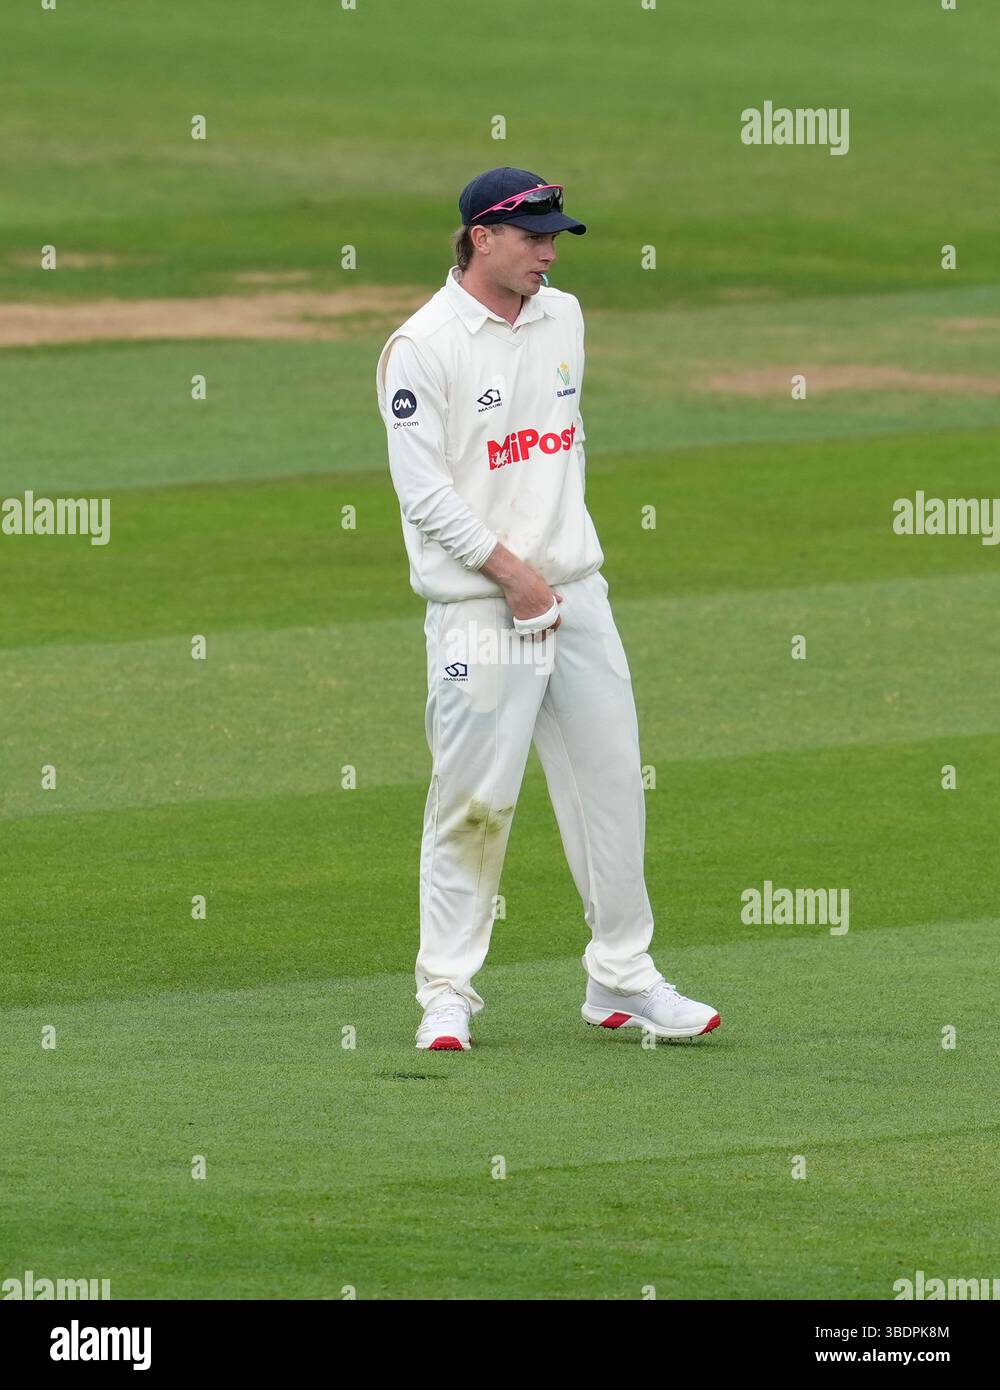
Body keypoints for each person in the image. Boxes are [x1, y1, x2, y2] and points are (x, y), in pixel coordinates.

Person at [375, 166, 720, 1051]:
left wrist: (558, 567)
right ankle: (446, 991)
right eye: (532, 237)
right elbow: (424, 494)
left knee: (612, 788)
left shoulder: (564, 316)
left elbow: (560, 451)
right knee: (475, 802)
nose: (548, 252)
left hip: (577, 593)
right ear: (480, 238)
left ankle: (623, 978)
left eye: (556, 237)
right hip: (478, 608)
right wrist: (511, 573)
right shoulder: (421, 347)